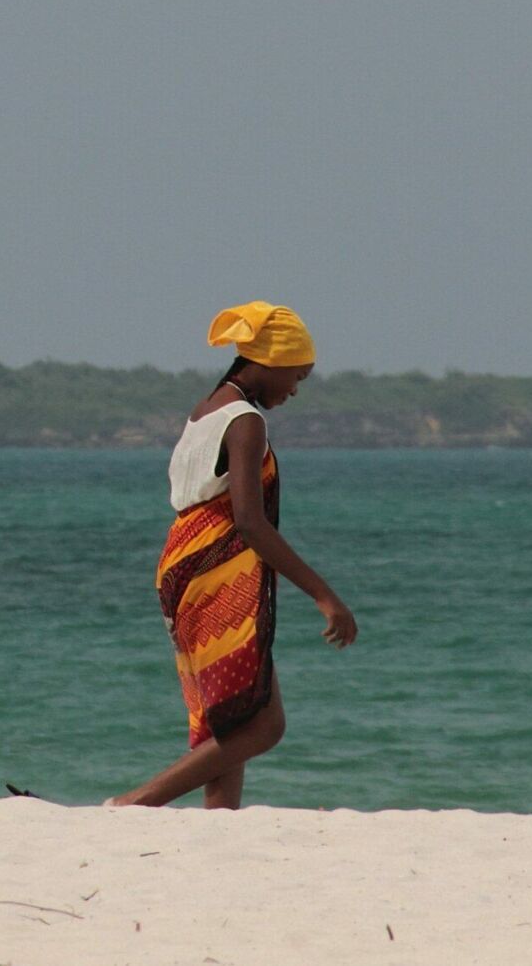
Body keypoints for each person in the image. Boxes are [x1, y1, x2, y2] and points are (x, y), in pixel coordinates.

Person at [107, 301, 358, 809]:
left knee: (228, 714)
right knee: (264, 724)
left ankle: (219, 822)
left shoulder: (204, 412)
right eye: (297, 376)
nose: (294, 390)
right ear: (269, 361)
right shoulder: (245, 421)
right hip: (213, 570)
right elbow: (248, 520)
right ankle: (136, 804)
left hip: (182, 567)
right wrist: (324, 595)